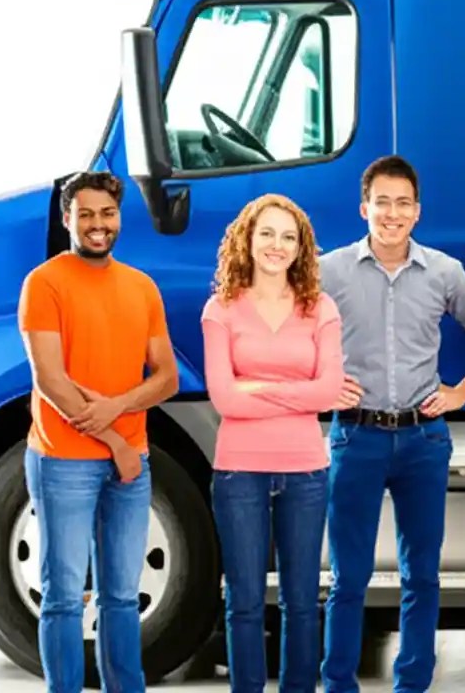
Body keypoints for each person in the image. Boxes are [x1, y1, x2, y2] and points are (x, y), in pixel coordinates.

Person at [318, 155, 465, 693]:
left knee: (420, 574)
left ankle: (413, 684)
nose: (392, 214)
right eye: (383, 202)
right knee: (347, 577)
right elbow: (293, 334)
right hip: (355, 437)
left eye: (403, 204)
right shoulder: (329, 272)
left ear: (417, 212)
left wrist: (463, 391)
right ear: (364, 208)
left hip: (424, 441)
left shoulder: (445, 273)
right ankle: (338, 685)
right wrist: (323, 384)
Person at [17, 171, 179, 693]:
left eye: (106, 214)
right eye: (84, 214)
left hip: (131, 461)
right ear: (67, 219)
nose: (96, 224)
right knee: (63, 594)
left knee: (122, 596)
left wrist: (116, 409)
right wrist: (115, 440)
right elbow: (50, 380)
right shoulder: (44, 283)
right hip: (63, 459)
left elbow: (167, 378)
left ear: (118, 217)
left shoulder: (141, 287)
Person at [200, 193, 344, 692]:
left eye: (288, 237)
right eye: (267, 234)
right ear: (247, 239)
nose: (277, 246)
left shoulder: (320, 308)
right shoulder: (221, 309)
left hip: (306, 470)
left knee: (302, 600)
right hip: (238, 472)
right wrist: (296, 395)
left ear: (301, 247)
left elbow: (329, 392)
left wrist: (257, 387)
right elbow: (224, 398)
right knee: (242, 599)